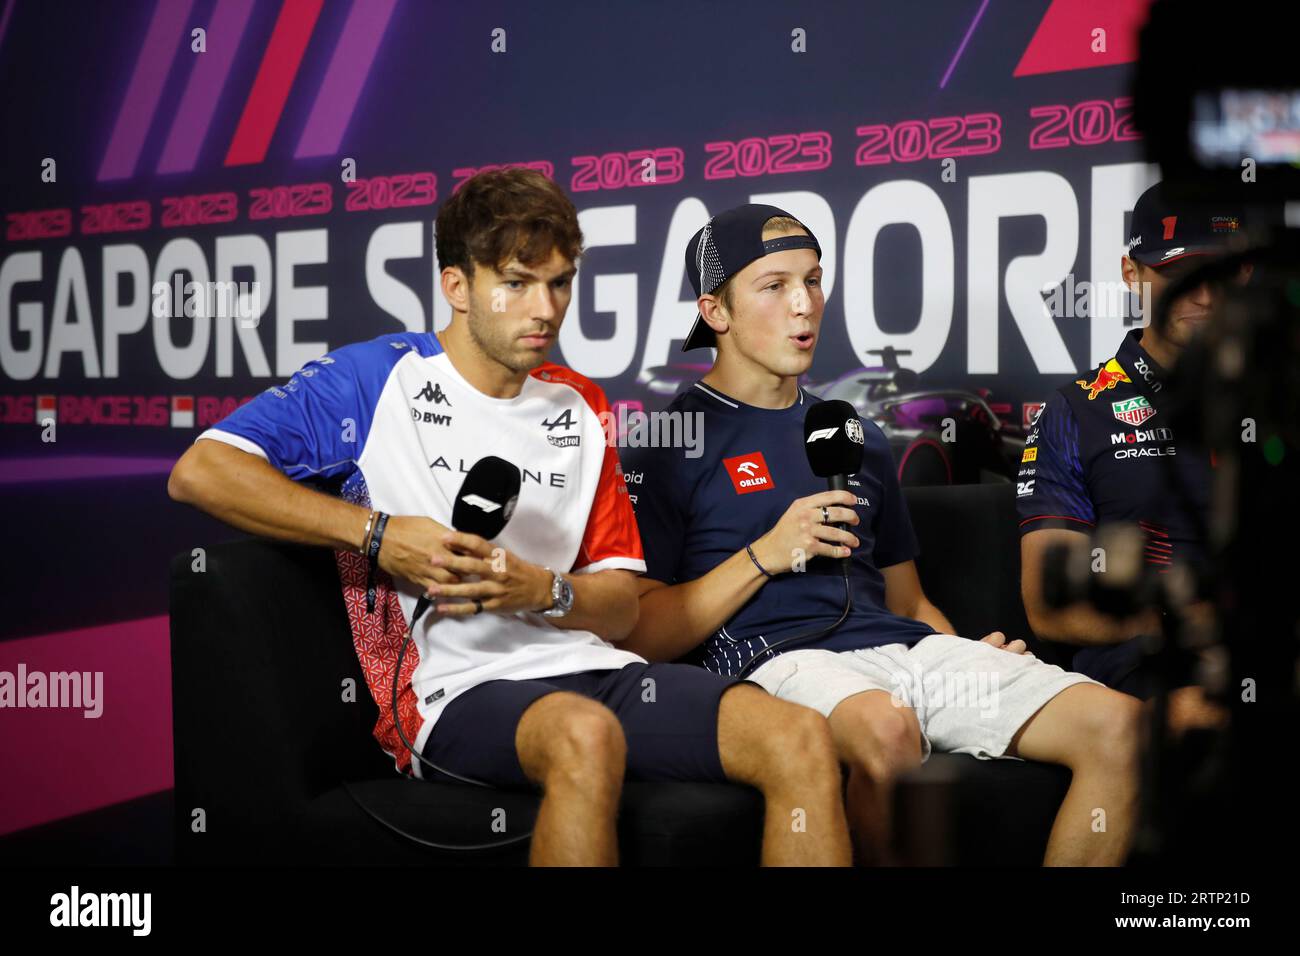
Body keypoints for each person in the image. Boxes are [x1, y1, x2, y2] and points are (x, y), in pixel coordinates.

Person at [168, 170, 851, 866]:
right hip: (451, 692)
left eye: (560, 284)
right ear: (457, 287)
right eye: (518, 283)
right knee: (586, 736)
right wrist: (379, 535)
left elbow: (620, 611)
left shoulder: (581, 405)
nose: (545, 309)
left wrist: (544, 591)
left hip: (593, 667)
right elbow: (201, 472)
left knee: (799, 736)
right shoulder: (375, 380)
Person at [621, 203, 1142, 865]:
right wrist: (764, 555)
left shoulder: (852, 436)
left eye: (812, 280)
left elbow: (907, 603)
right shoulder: (668, 445)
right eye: (774, 286)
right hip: (773, 664)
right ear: (715, 312)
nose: (804, 304)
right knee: (886, 726)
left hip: (904, 655)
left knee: (1118, 725)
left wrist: (968, 653)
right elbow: (638, 632)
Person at [1017, 182, 1250, 721]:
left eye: (1217, 275)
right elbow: (1050, 609)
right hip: (1148, 662)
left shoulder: (1278, 401)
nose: (1205, 298)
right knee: (1220, 718)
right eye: (1178, 277)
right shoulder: (1076, 412)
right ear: (1132, 275)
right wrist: (1188, 618)